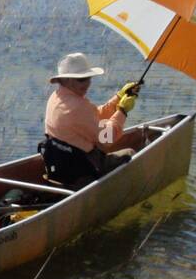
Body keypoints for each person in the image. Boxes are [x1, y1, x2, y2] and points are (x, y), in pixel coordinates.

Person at [40, 53, 140, 188]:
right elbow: (106, 140)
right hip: (82, 168)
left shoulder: (57, 97)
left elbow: (93, 118)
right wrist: (122, 111)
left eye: (88, 78)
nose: (88, 83)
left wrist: (118, 98)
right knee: (130, 153)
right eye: (82, 79)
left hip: (60, 165)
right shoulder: (77, 106)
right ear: (67, 80)